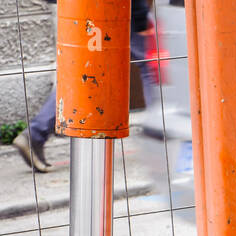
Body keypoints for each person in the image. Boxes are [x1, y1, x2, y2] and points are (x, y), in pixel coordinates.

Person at [13, 0, 155, 172]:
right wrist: (140, 16)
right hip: (114, 6)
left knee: (86, 69)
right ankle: (161, 134)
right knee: (149, 63)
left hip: (76, 5)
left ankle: (36, 133)